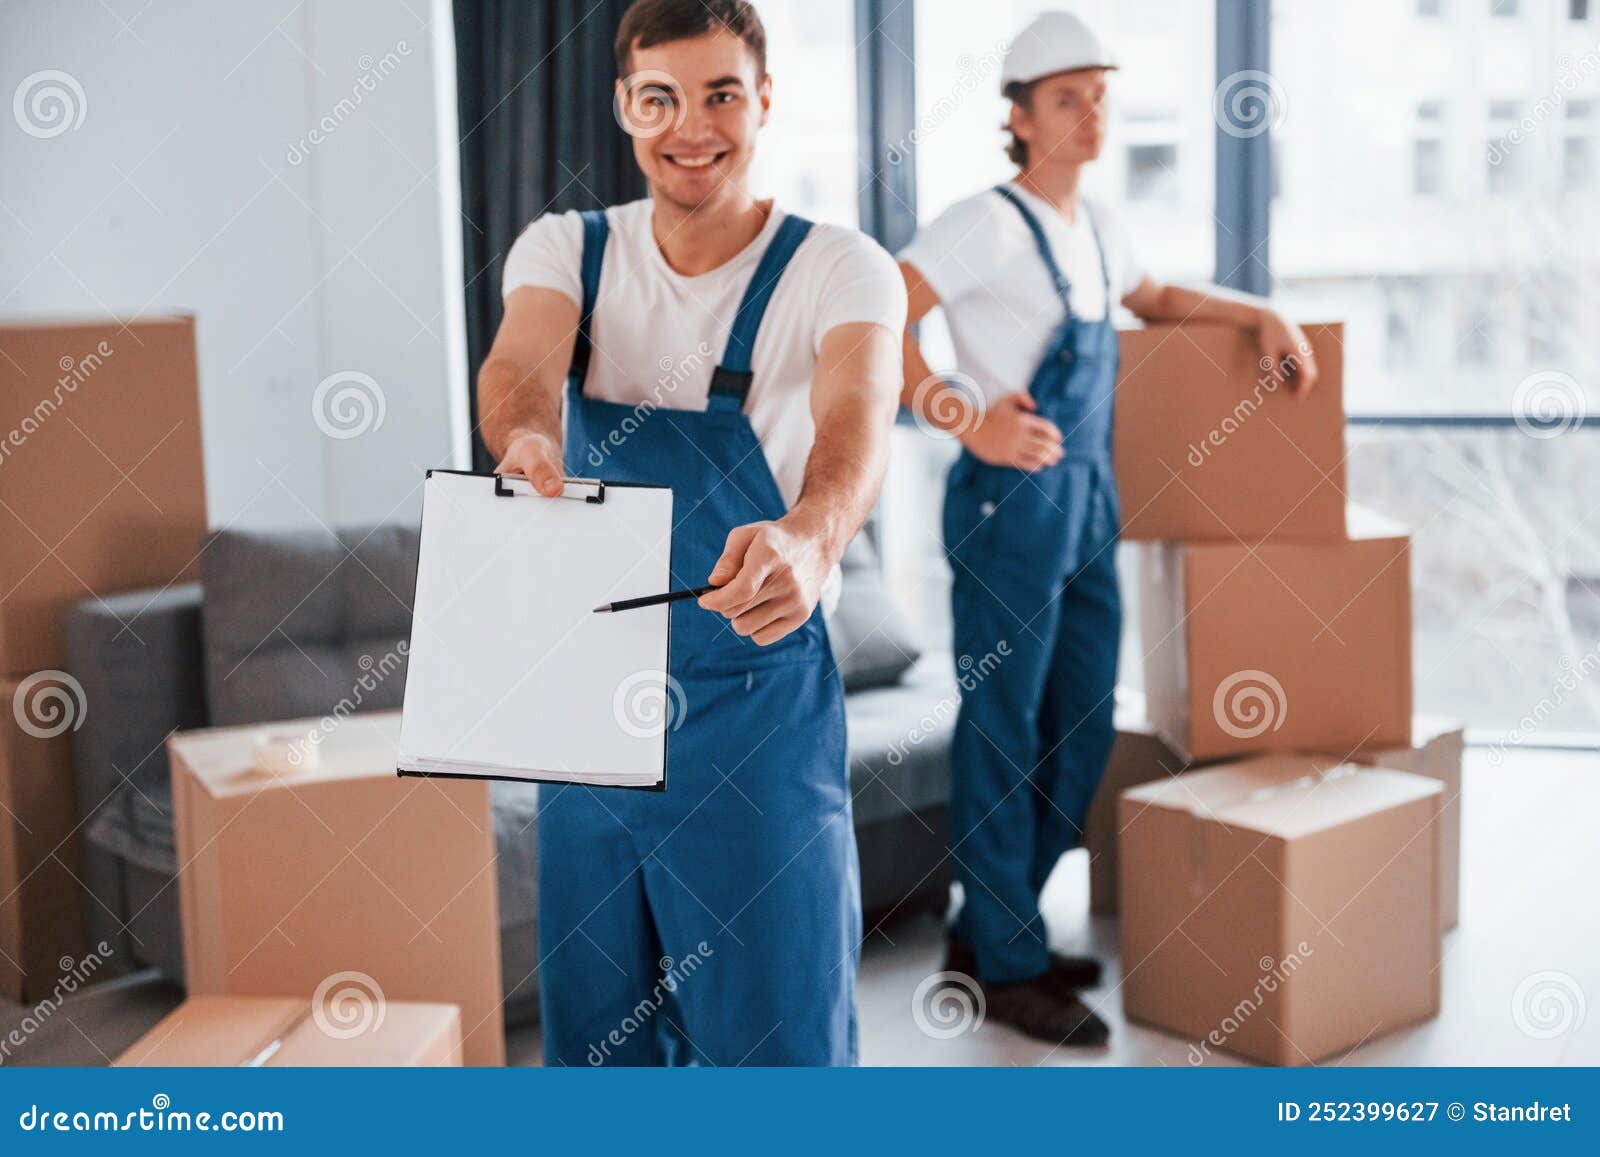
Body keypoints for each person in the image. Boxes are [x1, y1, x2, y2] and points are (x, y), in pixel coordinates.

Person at [479, 0, 905, 1066]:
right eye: (661, 97)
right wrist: (529, 440)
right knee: (597, 1041)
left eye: (722, 94)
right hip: (586, 695)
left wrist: (812, 536)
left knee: (777, 1040)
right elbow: (522, 364)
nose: (692, 127)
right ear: (625, 105)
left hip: (752, 697)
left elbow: (857, 416)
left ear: (763, 100)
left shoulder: (841, 267)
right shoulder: (567, 248)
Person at [897, 10, 1318, 1046]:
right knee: (1001, 724)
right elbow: (878, 314)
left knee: (1081, 719)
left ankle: (993, 923)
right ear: (1019, 117)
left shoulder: (1096, 227)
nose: (1093, 113)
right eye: (1068, 98)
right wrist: (965, 416)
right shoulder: (982, 222)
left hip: (1087, 497)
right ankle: (1006, 963)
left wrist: (1260, 312)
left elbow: (1158, 296)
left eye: (1099, 93)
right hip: (1009, 502)